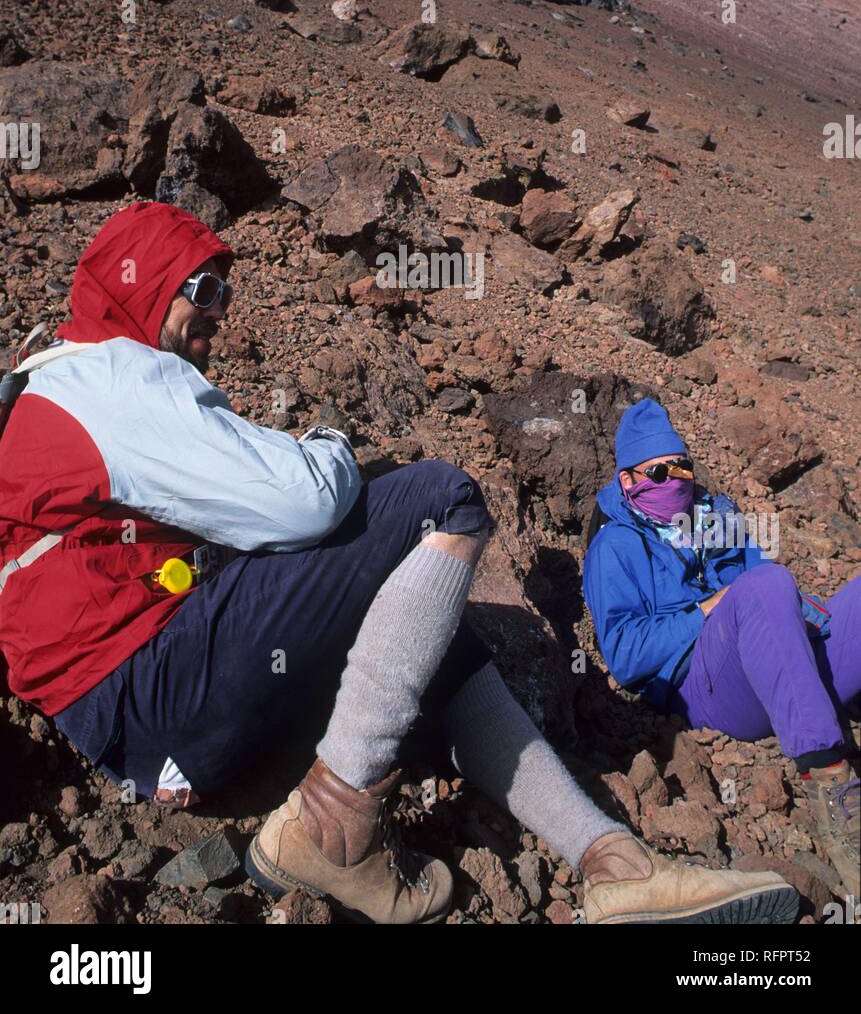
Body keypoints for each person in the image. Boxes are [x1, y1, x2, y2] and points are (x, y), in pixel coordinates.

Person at [0, 204, 798, 924]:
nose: (216, 316)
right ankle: (332, 820)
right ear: (137, 289)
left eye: (224, 296)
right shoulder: (109, 377)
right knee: (440, 497)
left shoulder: (81, 388)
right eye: (199, 290)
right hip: (151, 694)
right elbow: (299, 503)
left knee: (423, 616)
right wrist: (329, 446)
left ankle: (609, 859)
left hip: (142, 716)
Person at [584, 397, 861, 896]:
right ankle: (831, 782)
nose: (677, 478)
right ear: (629, 481)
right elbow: (624, 657)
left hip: (774, 665)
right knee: (763, 585)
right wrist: (708, 609)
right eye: (660, 471)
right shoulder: (614, 548)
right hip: (703, 687)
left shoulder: (717, 516)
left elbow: (773, 593)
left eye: (683, 466)